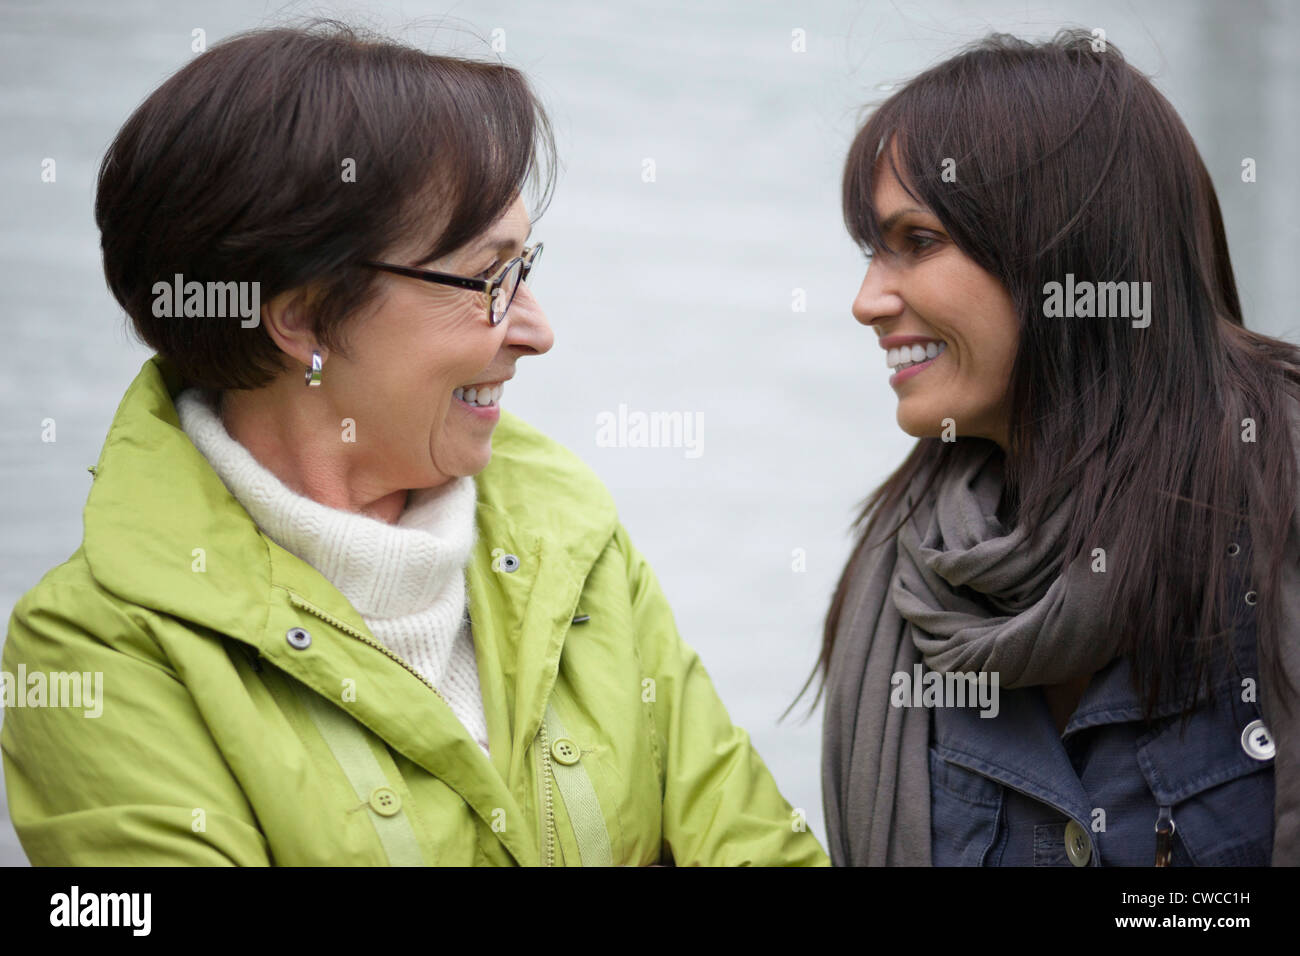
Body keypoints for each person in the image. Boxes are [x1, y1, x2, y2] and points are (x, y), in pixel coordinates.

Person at [1, 22, 828, 867]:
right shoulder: (96, 649)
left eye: (525, 268)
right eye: (488, 278)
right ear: (304, 316)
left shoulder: (572, 539)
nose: (536, 333)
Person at [805, 29, 1300, 865]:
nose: (867, 301)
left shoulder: (1279, 502)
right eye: (871, 252)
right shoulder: (910, 567)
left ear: (1061, 249)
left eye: (917, 242)